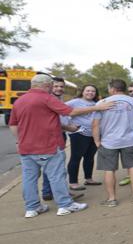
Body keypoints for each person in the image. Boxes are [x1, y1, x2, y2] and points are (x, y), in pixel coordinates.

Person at [9, 74, 114, 218]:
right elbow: (71, 111)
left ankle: (32, 208)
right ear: (47, 85)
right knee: (56, 176)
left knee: (29, 178)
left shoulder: (19, 101)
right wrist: (97, 107)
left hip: (26, 148)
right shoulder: (47, 98)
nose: (53, 88)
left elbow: (13, 124)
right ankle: (65, 205)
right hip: (48, 146)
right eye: (52, 85)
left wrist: (18, 141)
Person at [93, 79, 133, 206]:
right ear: (124, 88)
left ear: (112, 89)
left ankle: (112, 199)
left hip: (109, 141)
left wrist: (97, 140)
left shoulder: (102, 103)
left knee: (109, 169)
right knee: (132, 166)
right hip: (129, 140)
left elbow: (95, 124)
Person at [64, 84, 102, 191]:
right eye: (88, 91)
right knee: (76, 158)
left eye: (93, 91)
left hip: (93, 134)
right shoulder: (74, 102)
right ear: (83, 91)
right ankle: (73, 182)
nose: (90, 93)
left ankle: (89, 179)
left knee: (89, 158)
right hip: (79, 133)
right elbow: (62, 112)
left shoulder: (97, 104)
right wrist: (68, 125)